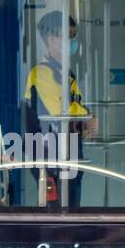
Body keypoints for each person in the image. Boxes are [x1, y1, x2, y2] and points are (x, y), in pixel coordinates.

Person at [25, 11, 97, 207]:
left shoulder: (66, 72)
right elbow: (59, 111)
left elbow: (77, 104)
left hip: (68, 151)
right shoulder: (41, 73)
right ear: (51, 39)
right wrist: (87, 116)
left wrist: (87, 119)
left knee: (72, 206)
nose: (72, 41)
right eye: (67, 36)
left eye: (74, 36)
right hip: (49, 156)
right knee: (56, 212)